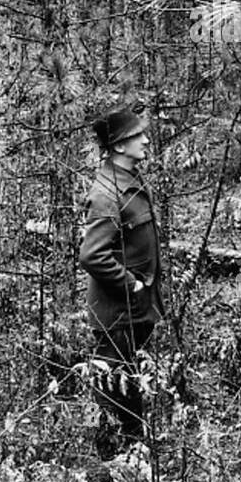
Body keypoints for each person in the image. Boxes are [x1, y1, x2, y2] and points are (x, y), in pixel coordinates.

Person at [79, 106, 164, 454]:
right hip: (118, 313)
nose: (145, 139)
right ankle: (114, 458)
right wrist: (131, 283)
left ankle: (134, 451)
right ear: (117, 147)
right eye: (136, 136)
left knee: (127, 381)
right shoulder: (107, 194)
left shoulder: (129, 180)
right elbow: (91, 255)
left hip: (135, 310)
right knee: (114, 387)